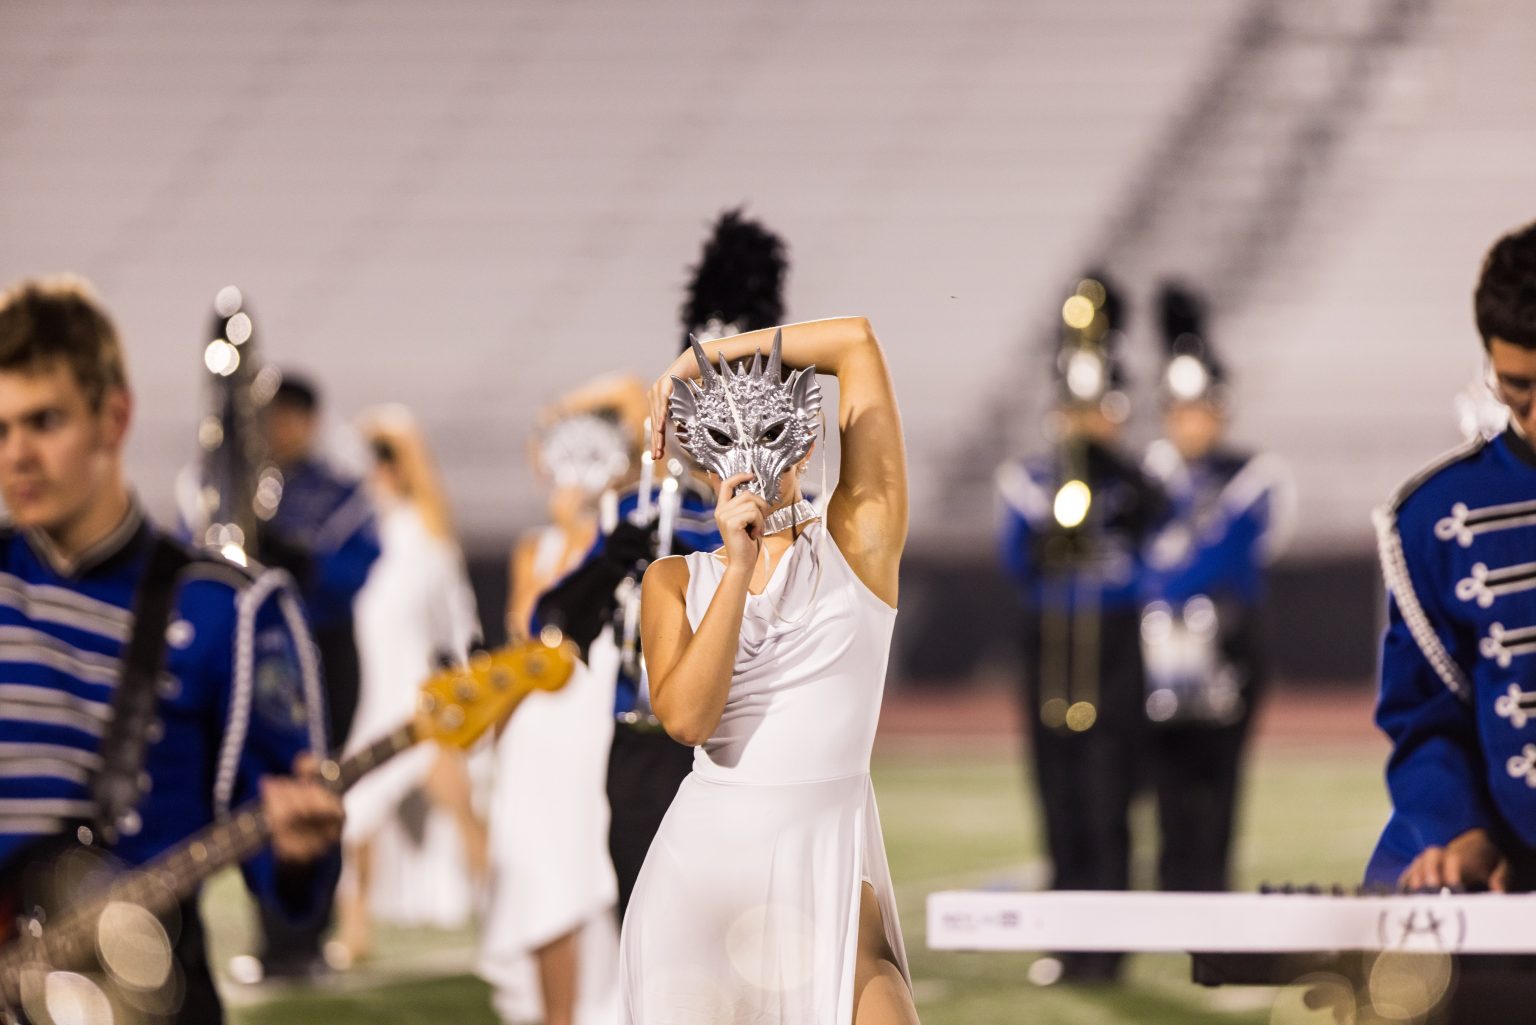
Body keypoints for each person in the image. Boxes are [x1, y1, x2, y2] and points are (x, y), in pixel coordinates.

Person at [0, 276, 343, 1024]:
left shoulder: (230, 609)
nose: (17, 453)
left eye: (43, 420)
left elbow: (294, 901)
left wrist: (299, 849)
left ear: (112, 416)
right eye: (0, 429)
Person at [621, 318, 918, 1024]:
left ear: (809, 438)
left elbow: (856, 343)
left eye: (771, 431)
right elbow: (688, 719)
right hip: (702, 882)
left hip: (828, 865)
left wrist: (688, 366)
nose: (748, 457)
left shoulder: (860, 545)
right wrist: (737, 569)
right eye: (720, 436)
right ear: (696, 452)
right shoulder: (672, 580)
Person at [532, 208, 781, 917]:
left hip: (744, 741)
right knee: (644, 924)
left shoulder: (787, 509)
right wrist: (613, 560)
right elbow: (548, 622)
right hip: (642, 740)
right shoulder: (631, 509)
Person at [995, 274, 1167, 985]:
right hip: (1051, 648)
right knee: (1058, 799)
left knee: (1109, 803)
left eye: (1100, 408)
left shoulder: (1138, 480)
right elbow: (1017, 565)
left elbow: (1159, 550)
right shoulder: (1029, 480)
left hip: (1116, 648)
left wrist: (1116, 477)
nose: (1087, 420)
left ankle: (1110, 947)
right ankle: (1066, 941)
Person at [1366, 221, 1536, 892]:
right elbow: (1428, 717)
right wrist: (1461, 833)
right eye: (1519, 386)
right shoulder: (1438, 518)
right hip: (1513, 853)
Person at [478, 385, 642, 1025]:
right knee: (544, 878)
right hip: (541, 729)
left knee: (590, 875)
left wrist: (577, 409)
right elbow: (530, 632)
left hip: (594, 727)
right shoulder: (535, 548)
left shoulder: (624, 532)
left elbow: (633, 393)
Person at [1139, 283, 1294, 893]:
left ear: (1221, 411)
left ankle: (1212, 894)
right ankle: (1174, 891)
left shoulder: (1253, 475)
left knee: (1220, 776)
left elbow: (1237, 557)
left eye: (1201, 409)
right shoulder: (1145, 475)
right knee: (1163, 781)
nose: (1190, 423)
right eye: (1179, 411)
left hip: (1226, 639)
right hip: (1155, 646)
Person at [332, 406, 484, 965]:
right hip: (380, 695)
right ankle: (354, 931)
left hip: (424, 694)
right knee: (357, 812)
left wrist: (460, 685)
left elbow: (456, 614)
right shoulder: (359, 538)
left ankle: (502, 912)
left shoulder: (424, 532)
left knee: (460, 806)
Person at [244, 370, 380, 977]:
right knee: (261, 787)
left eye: (288, 416)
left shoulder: (339, 490)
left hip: (324, 648)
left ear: (309, 420)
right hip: (260, 651)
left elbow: (359, 565)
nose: (278, 429)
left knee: (319, 778)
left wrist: (304, 565)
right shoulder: (240, 484)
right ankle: (270, 936)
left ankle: (309, 932)